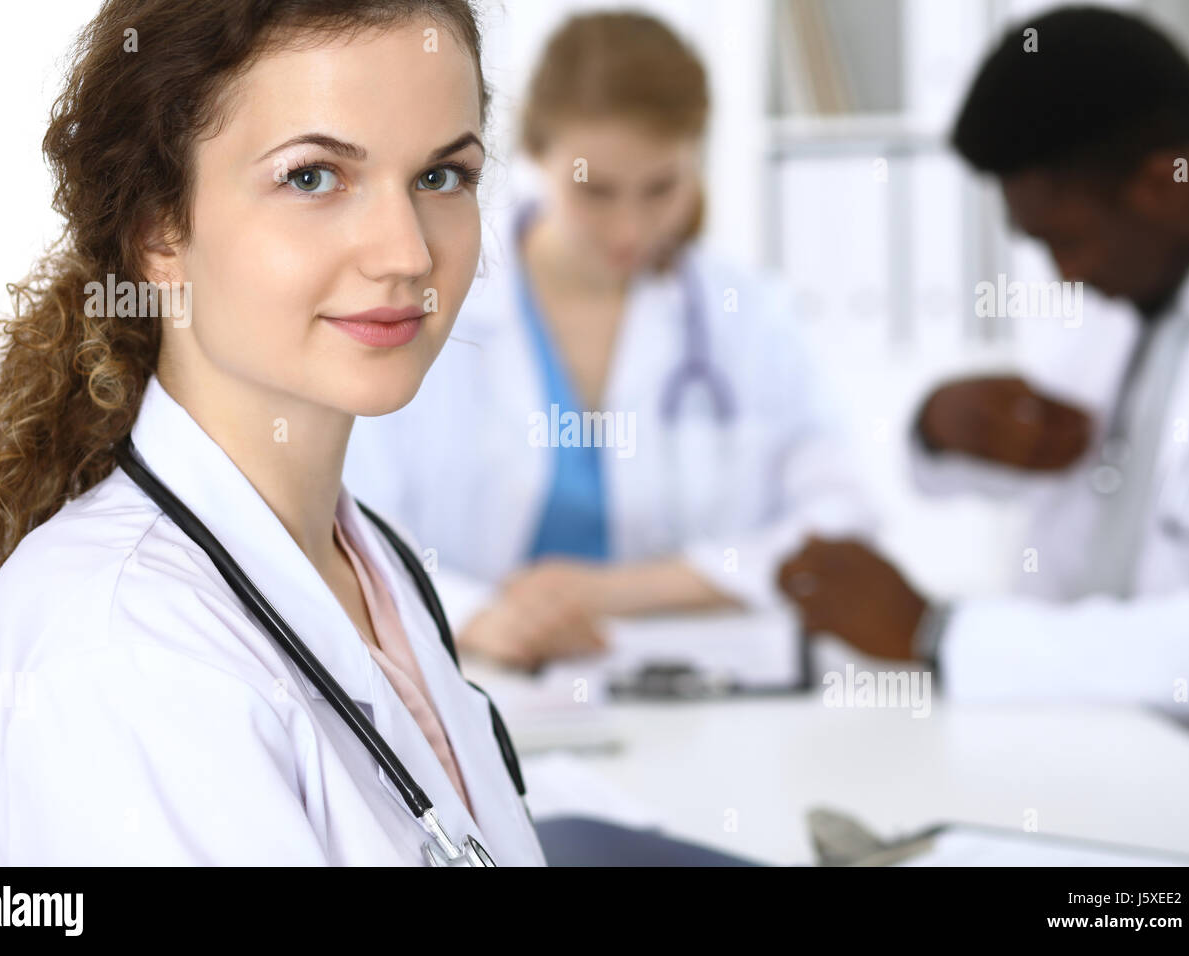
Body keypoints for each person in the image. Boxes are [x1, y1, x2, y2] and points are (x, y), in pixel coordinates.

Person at [0, 0, 546, 866]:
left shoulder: (374, 565)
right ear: (158, 231)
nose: (407, 253)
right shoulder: (124, 657)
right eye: (313, 177)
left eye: (442, 177)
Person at [344, 11, 873, 670]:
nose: (630, 228)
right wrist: (477, 617)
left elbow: (844, 520)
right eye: (595, 191)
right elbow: (351, 526)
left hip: (699, 686)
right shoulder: (430, 301)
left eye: (662, 188)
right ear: (536, 154)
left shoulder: (746, 316)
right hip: (478, 677)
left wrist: (616, 593)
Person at [779, 6, 1189, 721]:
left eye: (1066, 240)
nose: (1064, 275)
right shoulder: (1136, 295)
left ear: (1162, 185)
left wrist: (941, 636)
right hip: (1081, 741)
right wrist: (944, 427)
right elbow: (1020, 483)